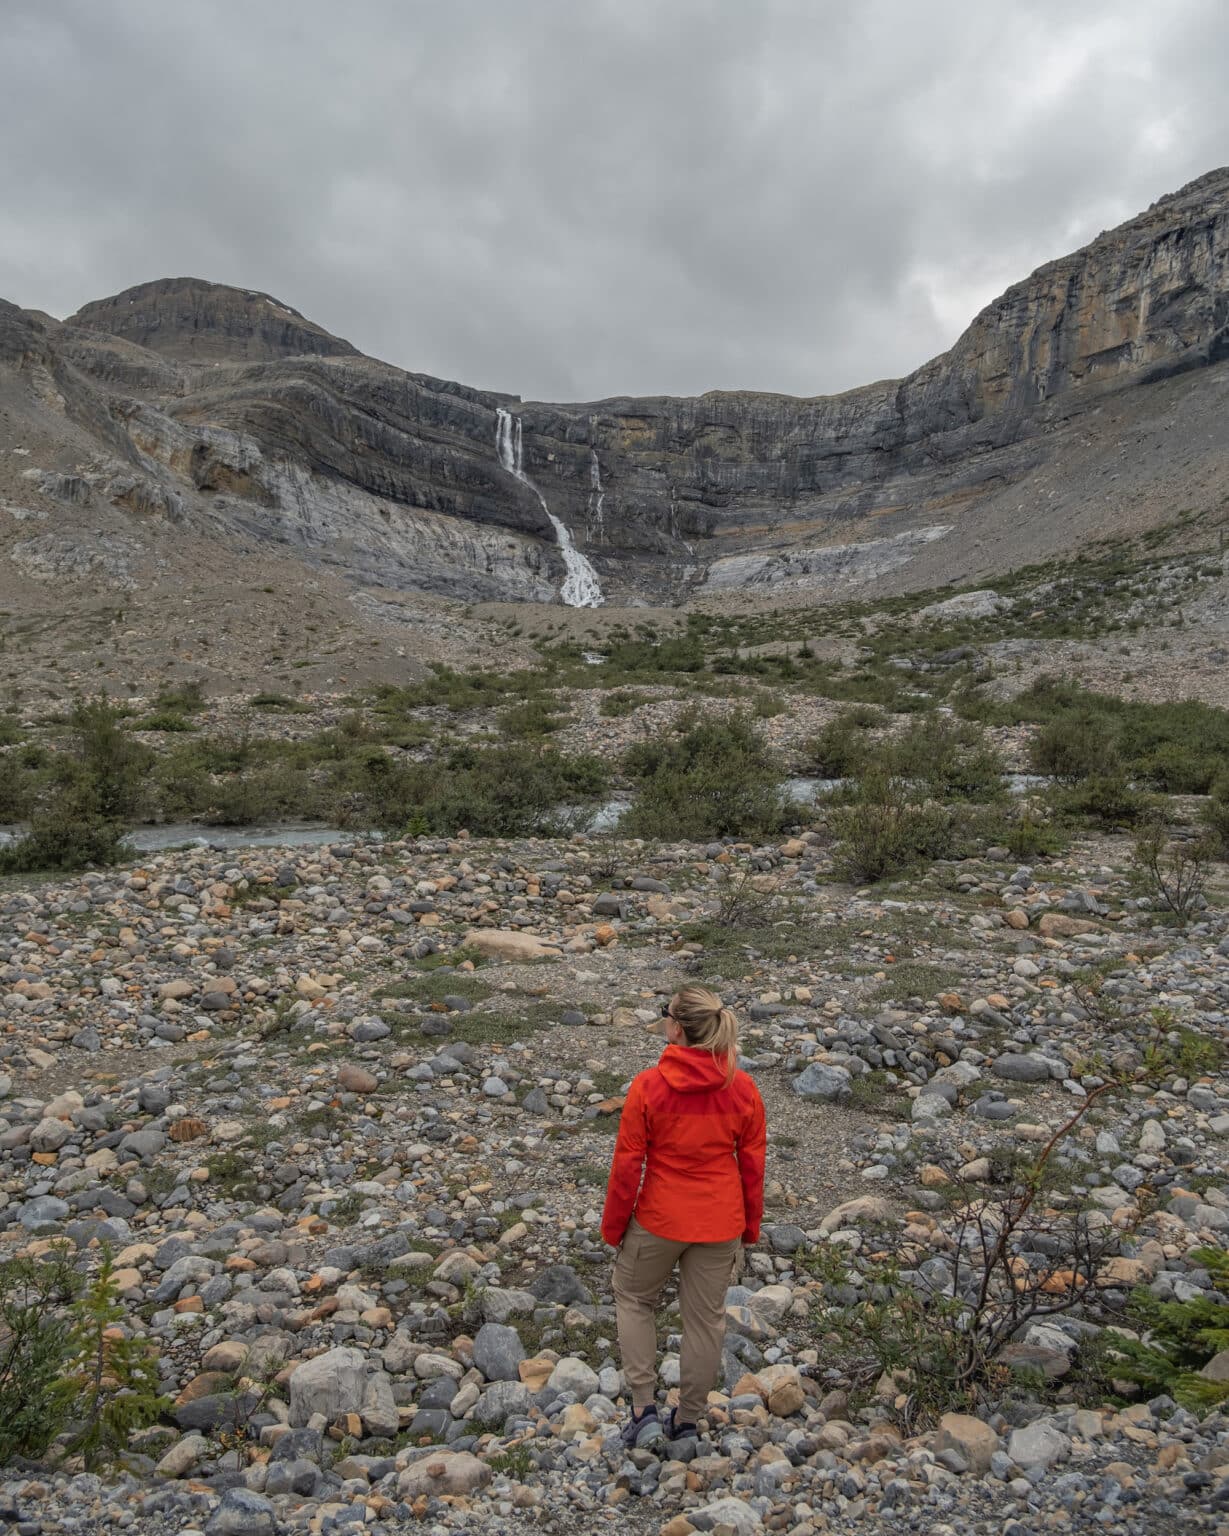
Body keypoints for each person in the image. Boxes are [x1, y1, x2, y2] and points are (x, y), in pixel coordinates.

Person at [601, 985, 767, 1450]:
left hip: (659, 1218)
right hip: (719, 1222)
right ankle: (689, 1420)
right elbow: (752, 1165)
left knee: (633, 1297)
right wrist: (750, 1227)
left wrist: (614, 1227)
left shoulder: (648, 1086)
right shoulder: (744, 1087)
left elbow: (627, 1165)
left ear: (676, 1028)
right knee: (705, 1321)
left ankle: (643, 1409)